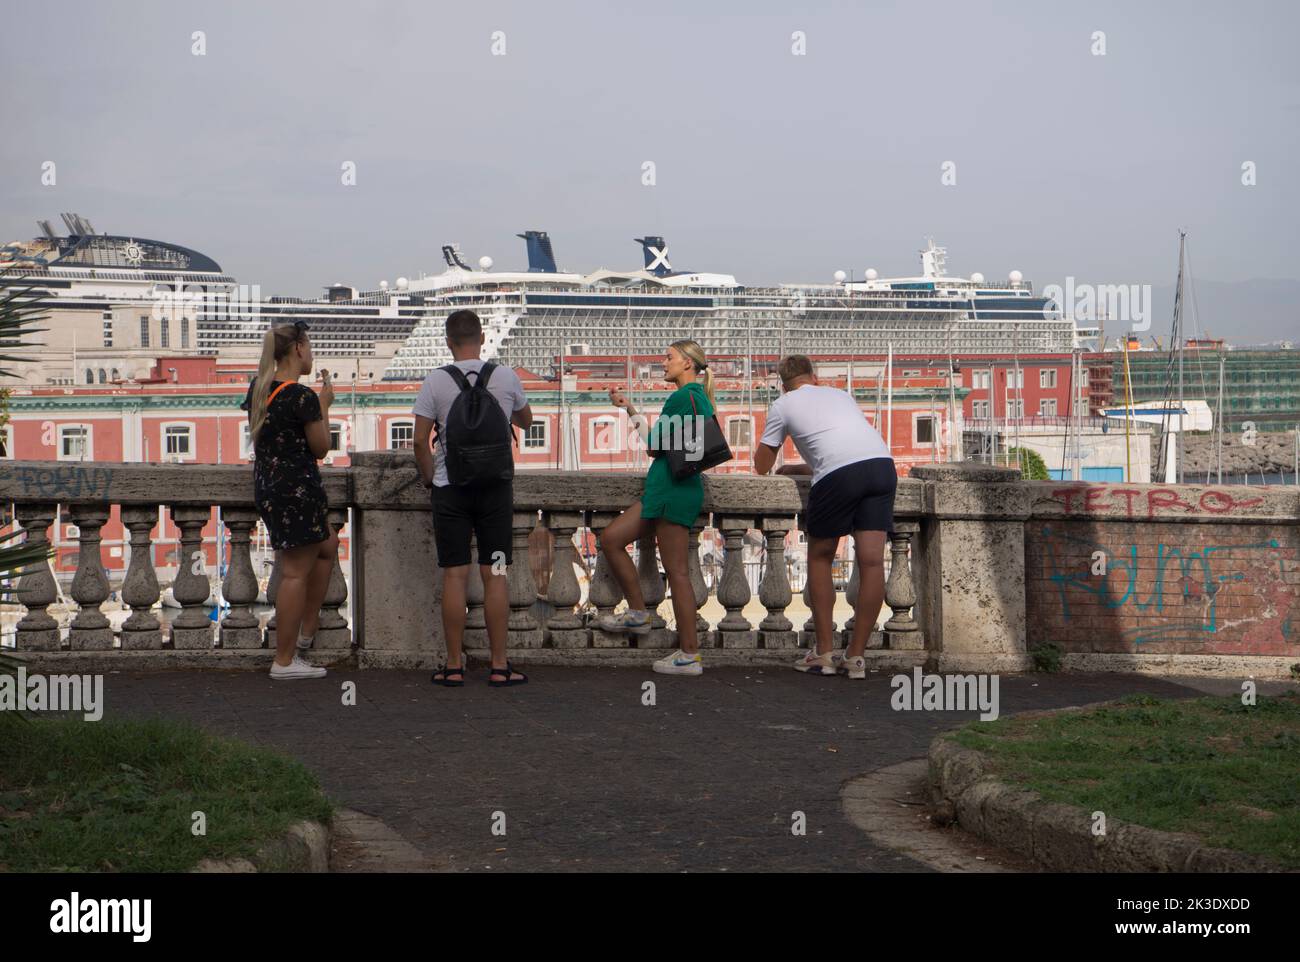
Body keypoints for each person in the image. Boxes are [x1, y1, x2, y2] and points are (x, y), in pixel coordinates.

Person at [753, 355, 896, 679]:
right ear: (813, 377)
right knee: (872, 562)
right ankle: (856, 657)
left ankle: (824, 653)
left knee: (820, 558)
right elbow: (848, 447)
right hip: (881, 467)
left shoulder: (783, 404)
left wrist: (778, 456)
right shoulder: (839, 395)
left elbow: (762, 465)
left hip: (839, 477)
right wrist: (804, 467)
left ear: (783, 383)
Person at [413, 309, 533, 688]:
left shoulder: (435, 381)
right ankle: (499, 665)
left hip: (451, 492)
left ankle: (453, 666)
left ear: (448, 342)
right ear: (482, 338)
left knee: (454, 574)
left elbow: (419, 441)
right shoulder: (505, 376)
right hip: (495, 491)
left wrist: (432, 478)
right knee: (496, 574)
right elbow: (526, 421)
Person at [600, 340, 715, 676]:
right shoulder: (699, 398)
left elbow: (653, 446)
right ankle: (638, 614)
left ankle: (689, 654)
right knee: (610, 539)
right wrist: (630, 407)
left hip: (671, 491)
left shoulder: (682, 397)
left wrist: (629, 412)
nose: (663, 363)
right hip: (669, 490)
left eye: (669, 358)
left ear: (688, 364)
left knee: (677, 573)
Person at [241, 321, 338, 680]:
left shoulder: (260, 389)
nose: (312, 353)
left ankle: (305, 635)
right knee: (295, 572)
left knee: (327, 545)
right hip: (298, 489)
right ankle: (284, 660)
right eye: (309, 345)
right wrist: (324, 405)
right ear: (298, 349)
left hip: (269, 487)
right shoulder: (301, 396)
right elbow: (321, 448)